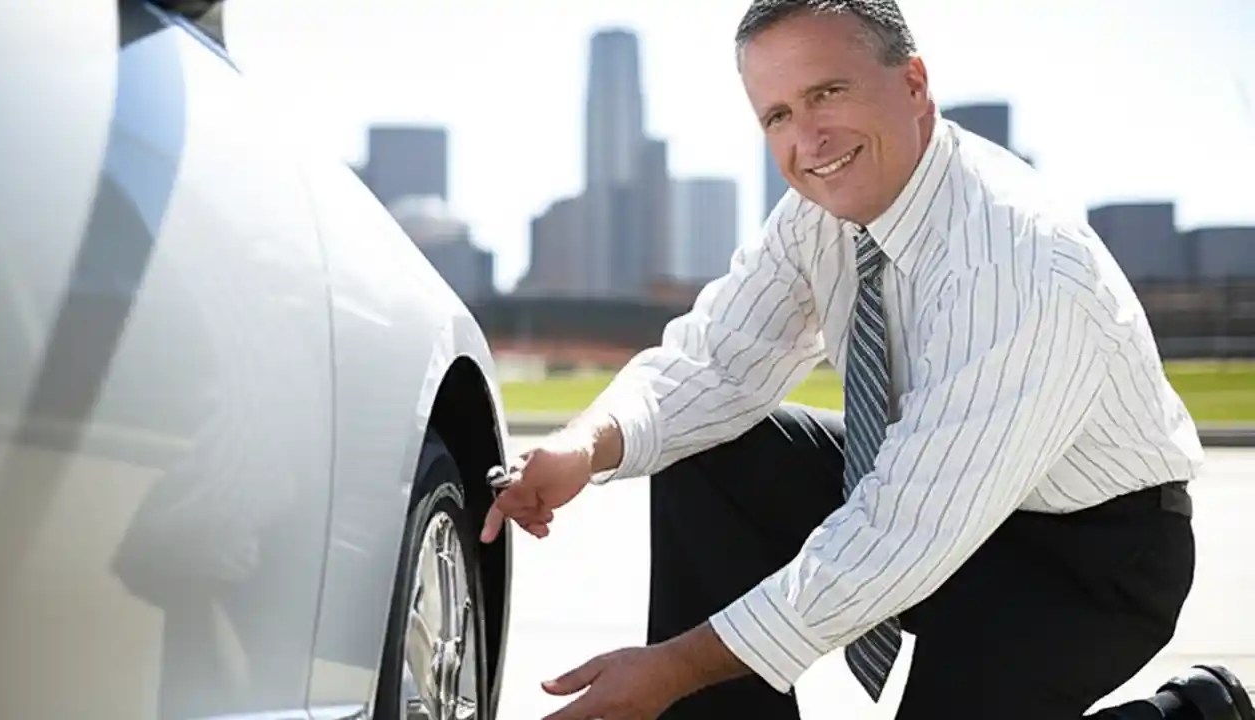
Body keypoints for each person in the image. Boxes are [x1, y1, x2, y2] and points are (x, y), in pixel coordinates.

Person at [481, 1, 1255, 719]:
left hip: (1087, 562)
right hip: (929, 503)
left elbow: (897, 536)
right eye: (778, 114)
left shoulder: (1018, 262)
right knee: (710, 450)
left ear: (913, 83)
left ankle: (1188, 712)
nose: (807, 140)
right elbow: (717, 359)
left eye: (829, 93)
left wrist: (671, 669)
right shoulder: (821, 212)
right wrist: (586, 445)